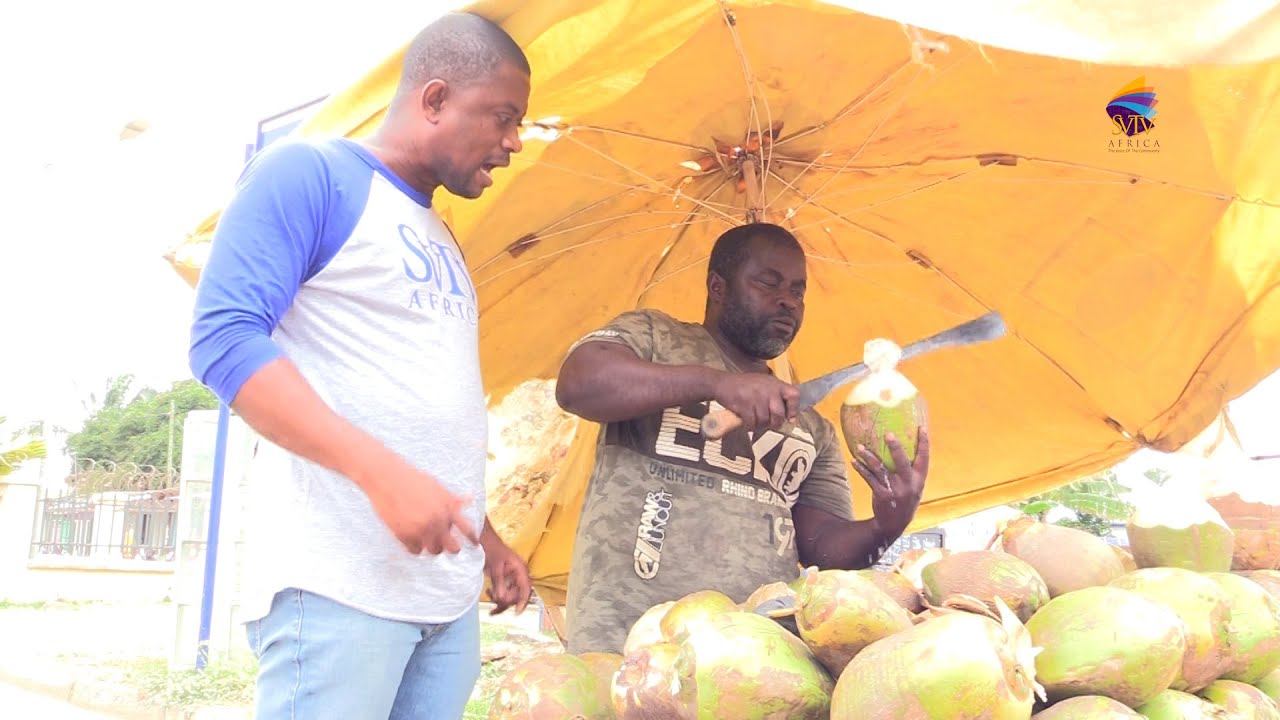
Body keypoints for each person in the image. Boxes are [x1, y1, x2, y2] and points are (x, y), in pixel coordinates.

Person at [188, 13, 533, 720]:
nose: (514, 142)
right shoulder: (310, 173)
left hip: (443, 606)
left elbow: (418, 406)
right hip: (338, 593)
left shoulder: (440, 234)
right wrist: (380, 475)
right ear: (434, 98)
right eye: (503, 117)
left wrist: (489, 540)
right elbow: (224, 338)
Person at [554, 222, 930, 654]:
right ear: (717, 286)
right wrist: (716, 383)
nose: (788, 301)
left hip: (757, 658)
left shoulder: (811, 428)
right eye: (769, 283)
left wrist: (887, 523)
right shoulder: (656, 338)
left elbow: (825, 552)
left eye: (798, 291)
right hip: (626, 642)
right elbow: (579, 383)